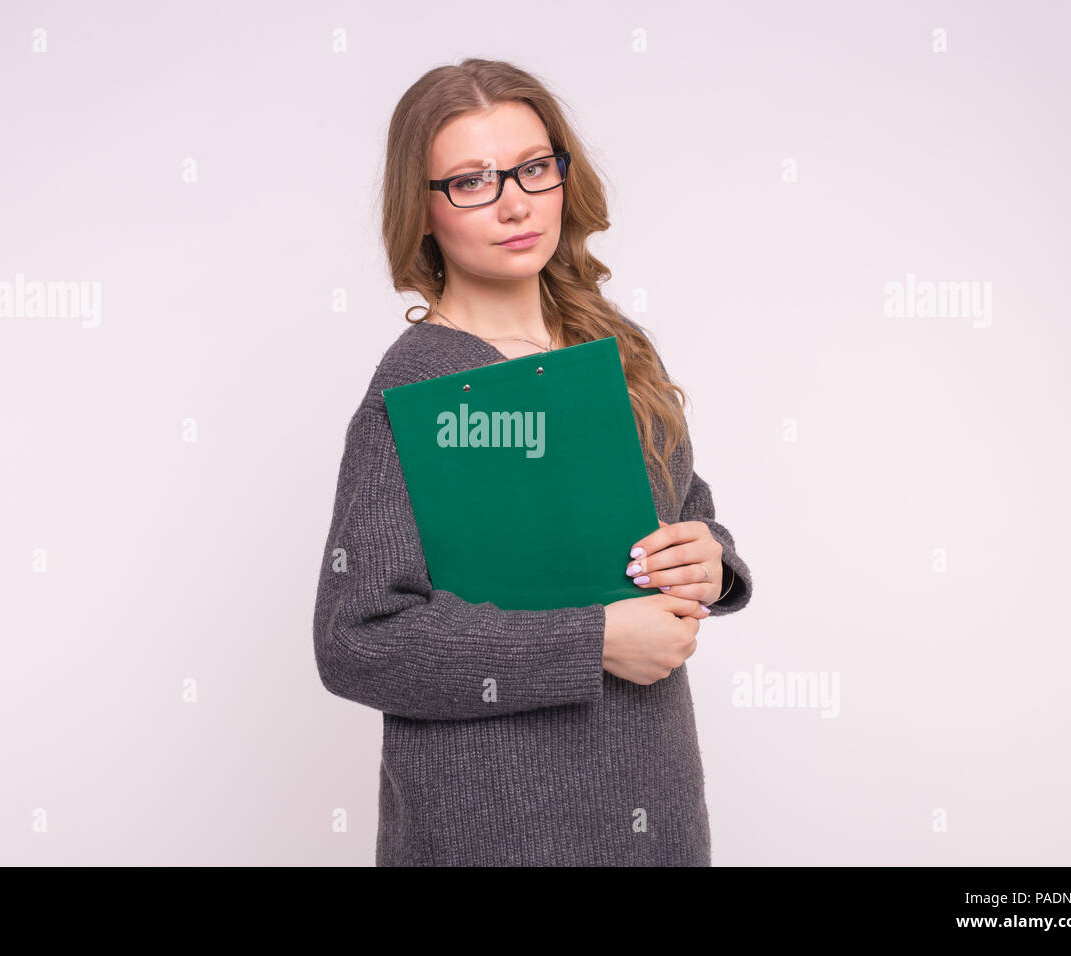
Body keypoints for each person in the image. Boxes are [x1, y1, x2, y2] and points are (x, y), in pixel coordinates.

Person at [313, 58, 753, 866]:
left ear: (562, 175)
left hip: (656, 809)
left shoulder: (612, 351)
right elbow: (356, 639)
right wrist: (590, 643)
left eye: (532, 167)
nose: (514, 201)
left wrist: (711, 562)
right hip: (498, 832)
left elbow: (687, 506)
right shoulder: (417, 388)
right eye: (471, 181)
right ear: (422, 209)